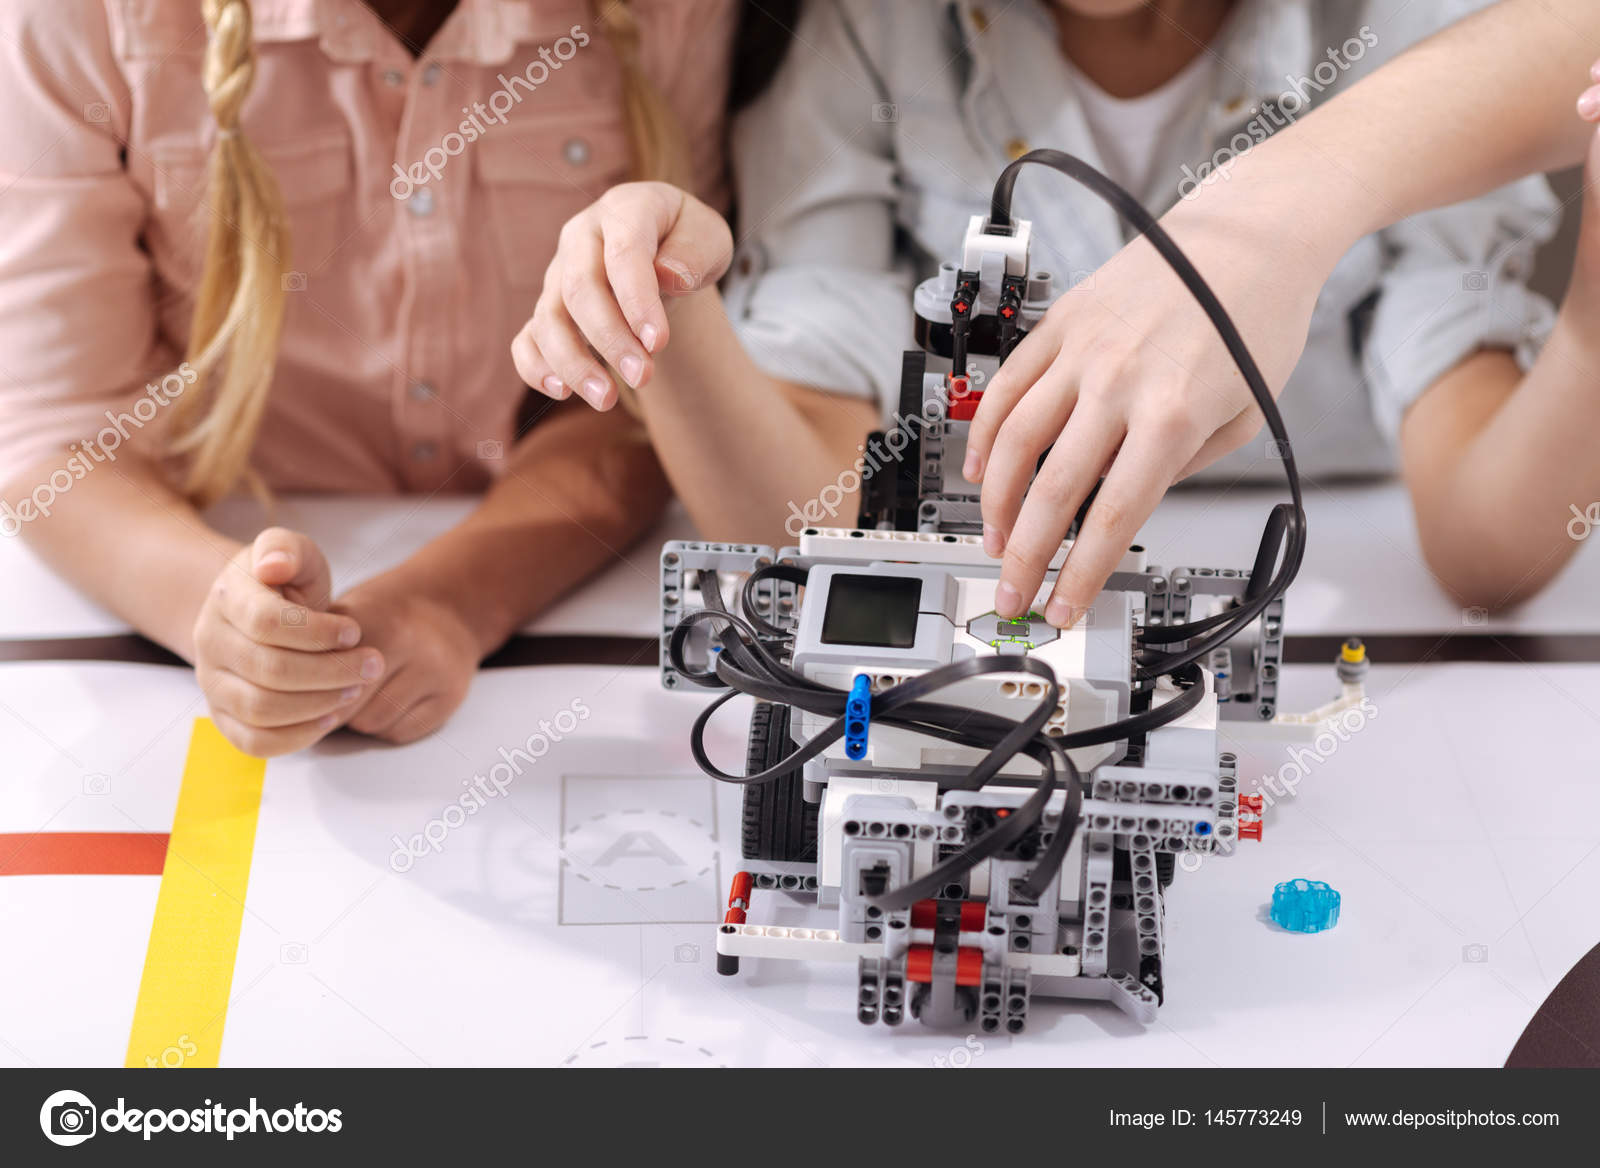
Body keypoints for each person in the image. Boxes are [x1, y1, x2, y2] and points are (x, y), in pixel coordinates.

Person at [518, 0, 1594, 626]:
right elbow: (807, 528)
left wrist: (1271, 218)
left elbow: (1489, 550)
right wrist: (674, 305)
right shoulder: (869, 31)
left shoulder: (1398, 25)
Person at [0, 0, 737, 755]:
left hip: (548, 590)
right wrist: (226, 616)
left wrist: (452, 598)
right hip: (189, 555)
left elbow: (643, 397)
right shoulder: (77, 18)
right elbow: (53, 427)